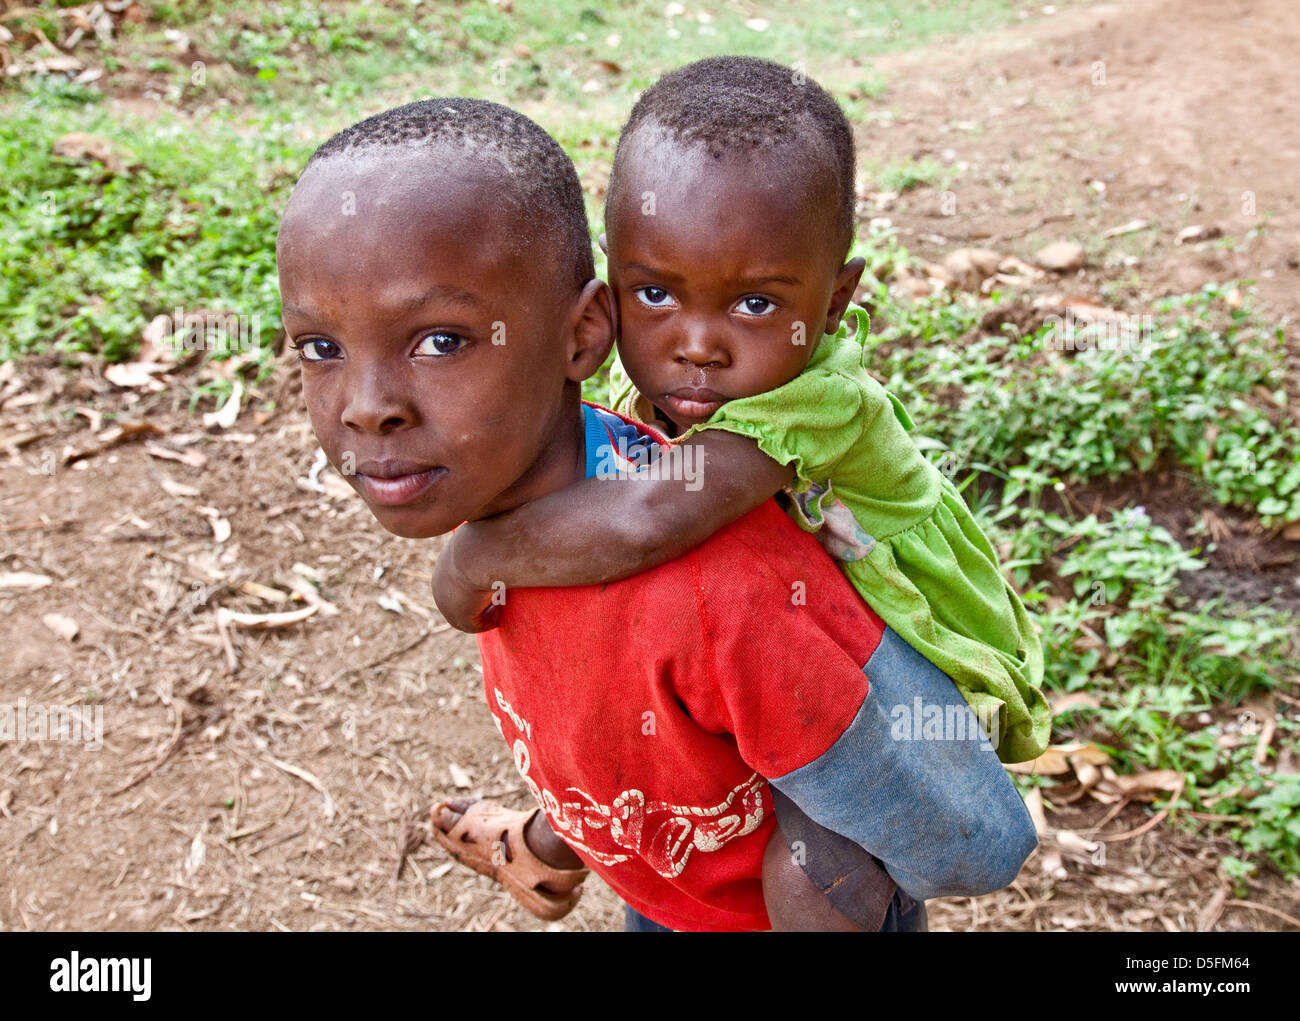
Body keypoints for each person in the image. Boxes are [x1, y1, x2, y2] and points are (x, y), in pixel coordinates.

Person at [277, 97, 1037, 932]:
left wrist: (470, 561)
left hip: (914, 619)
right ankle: (545, 841)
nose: (367, 407)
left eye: (442, 341)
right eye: (322, 348)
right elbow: (614, 737)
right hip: (675, 889)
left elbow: (978, 838)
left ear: (580, 335)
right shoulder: (549, 466)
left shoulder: (731, 544)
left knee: (813, 876)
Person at [432, 57, 1052, 767]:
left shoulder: (817, 401)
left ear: (835, 303)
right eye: (656, 295)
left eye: (756, 304)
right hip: (791, 645)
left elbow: (649, 518)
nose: (696, 347)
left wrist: (475, 557)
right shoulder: (677, 393)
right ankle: (562, 836)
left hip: (919, 659)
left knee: (812, 863)